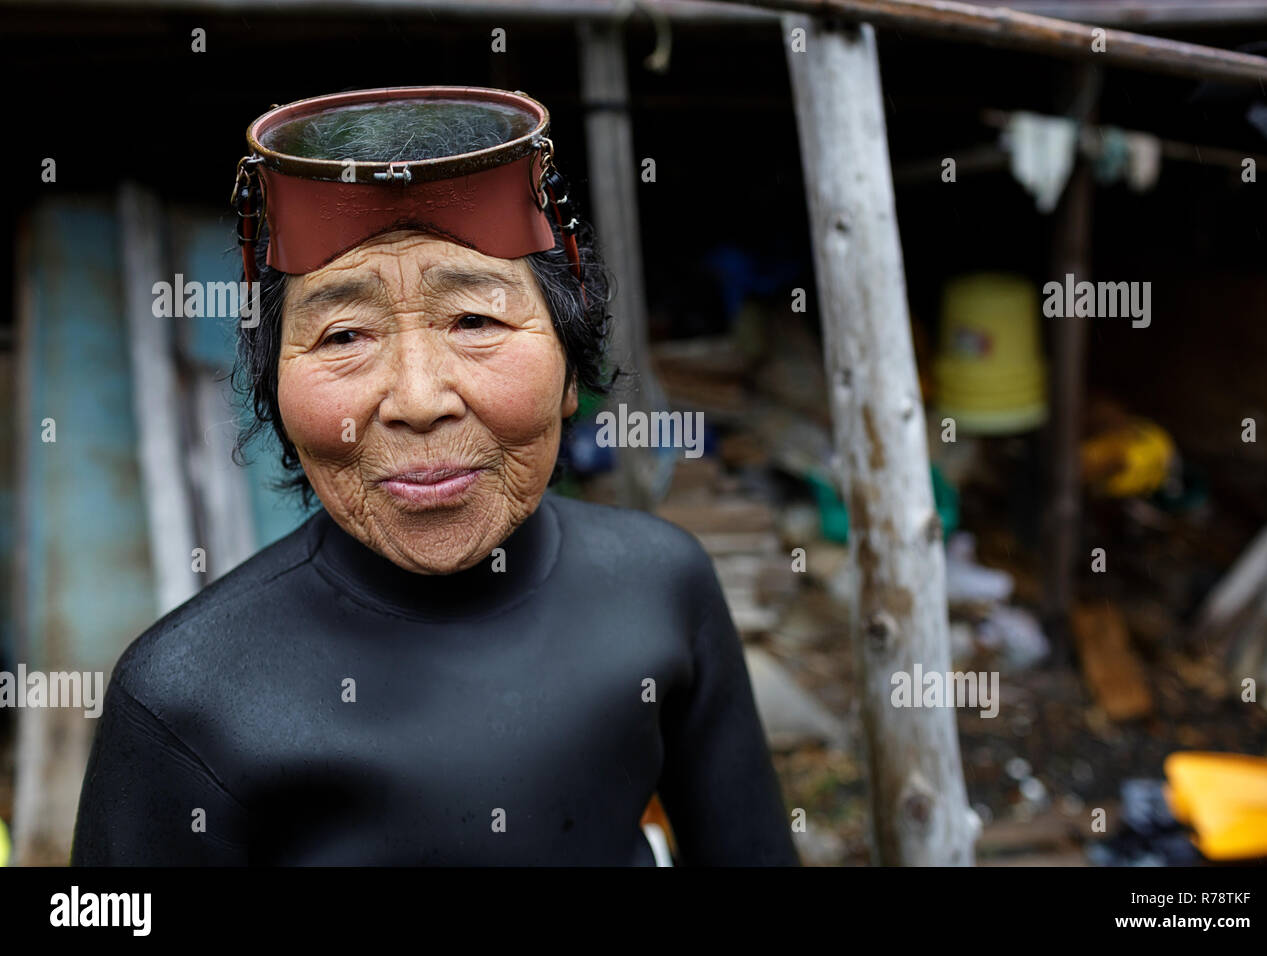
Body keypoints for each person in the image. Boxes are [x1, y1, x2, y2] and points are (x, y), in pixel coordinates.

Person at [71, 87, 798, 866]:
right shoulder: (182, 701)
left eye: (476, 321)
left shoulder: (662, 583)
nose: (418, 402)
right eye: (344, 334)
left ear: (569, 367)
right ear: (275, 389)